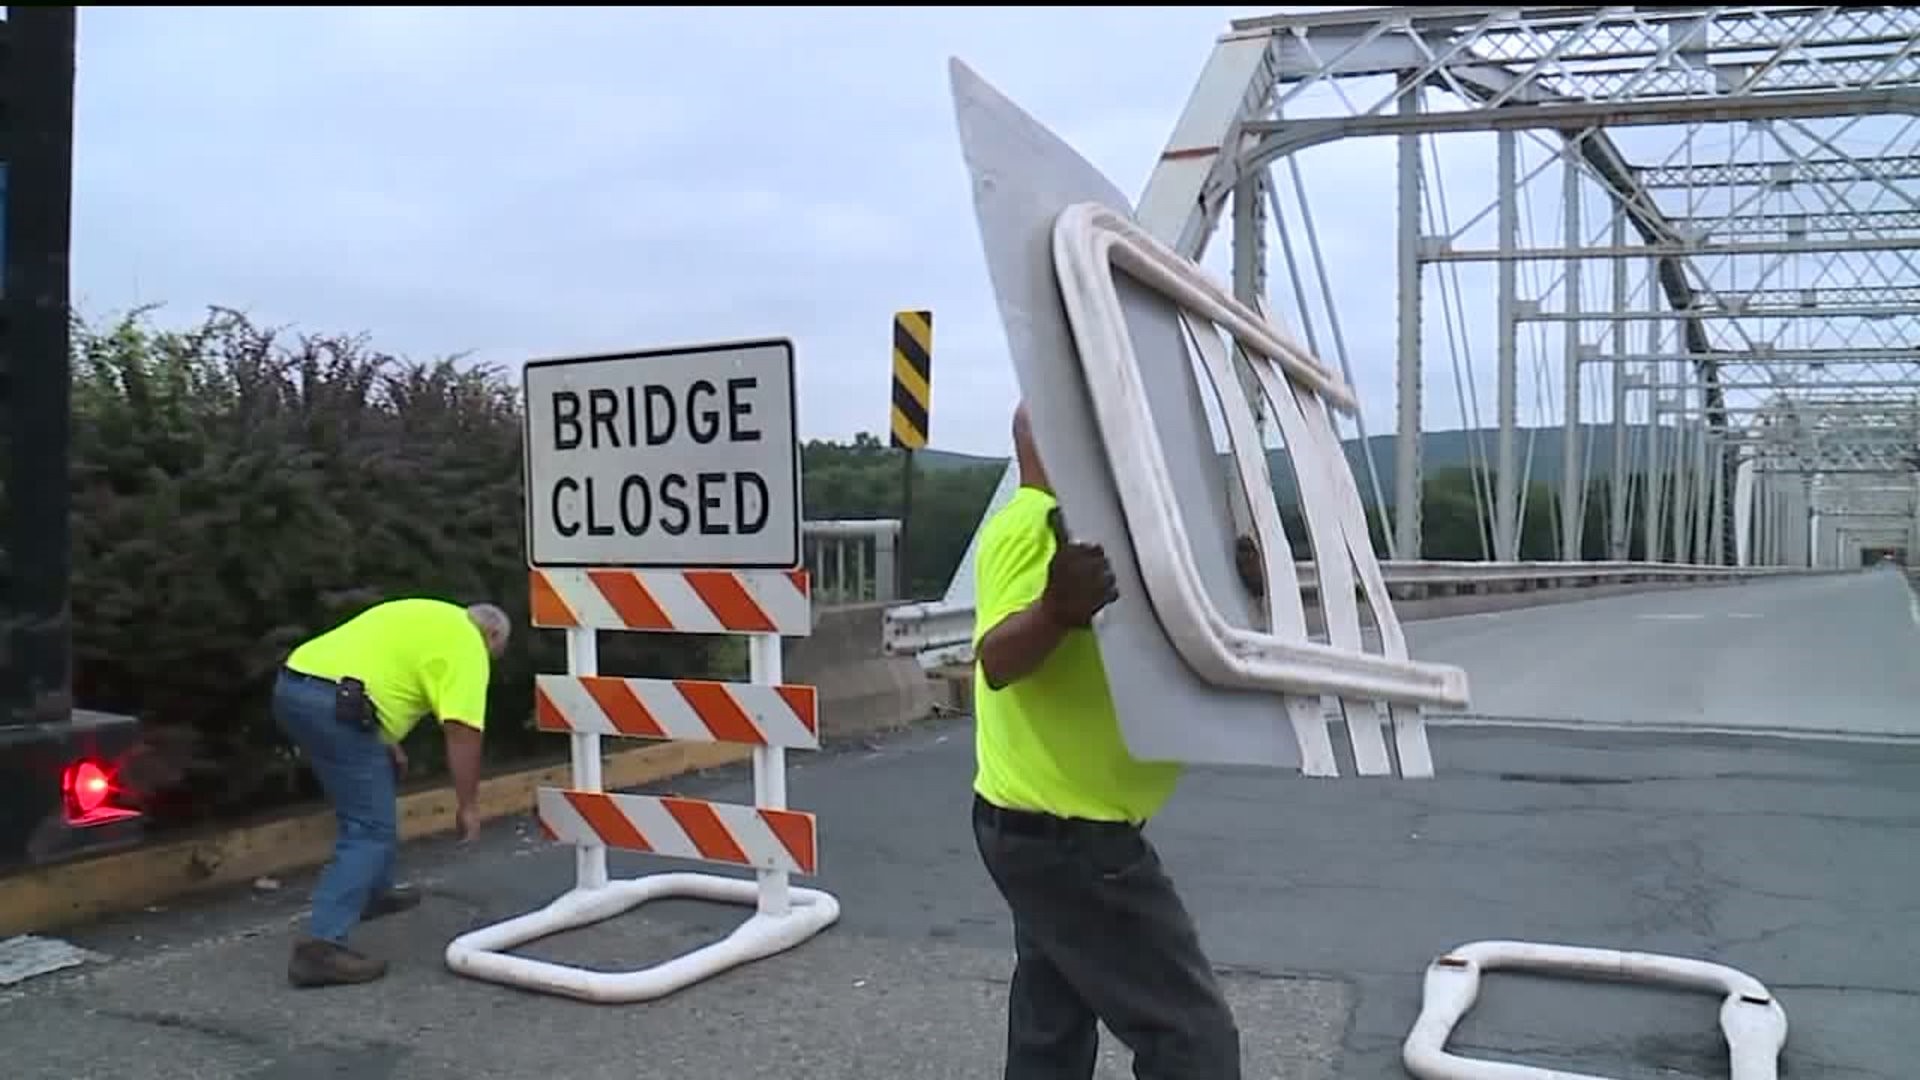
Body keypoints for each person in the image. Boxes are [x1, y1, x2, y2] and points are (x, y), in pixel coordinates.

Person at [970, 403, 1264, 1080]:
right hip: (1069, 840)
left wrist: (1239, 592)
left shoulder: (1104, 533)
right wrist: (1053, 611)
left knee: (1053, 1025)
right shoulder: (1033, 523)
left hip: (1037, 829)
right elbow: (997, 659)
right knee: (1192, 1040)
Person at [273, 597, 511, 988]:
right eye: (494, 654)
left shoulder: (430, 613)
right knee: (367, 829)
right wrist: (468, 805)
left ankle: (372, 892)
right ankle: (319, 948)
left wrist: (384, 741)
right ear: (493, 635)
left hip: (294, 685)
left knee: (371, 798)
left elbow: (377, 670)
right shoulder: (469, 646)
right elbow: (463, 732)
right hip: (336, 707)